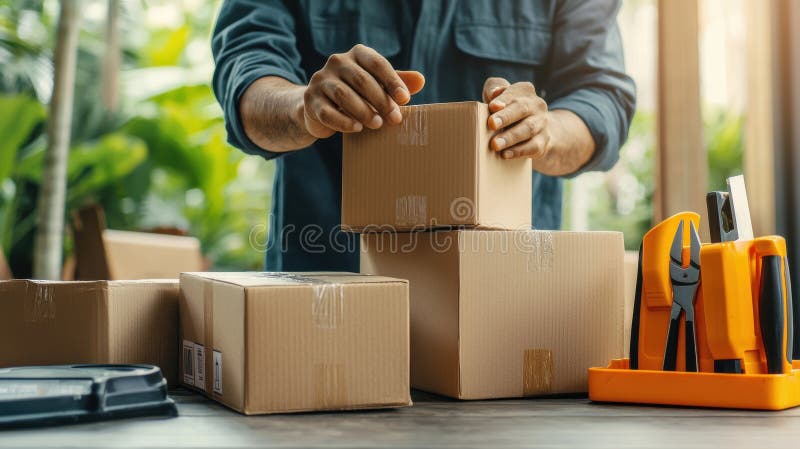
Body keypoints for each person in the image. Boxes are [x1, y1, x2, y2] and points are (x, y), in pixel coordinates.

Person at [211, 0, 636, 271]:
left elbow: (603, 100)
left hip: (501, 295)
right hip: (328, 292)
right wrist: (304, 107)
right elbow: (245, 72)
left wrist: (546, 131)